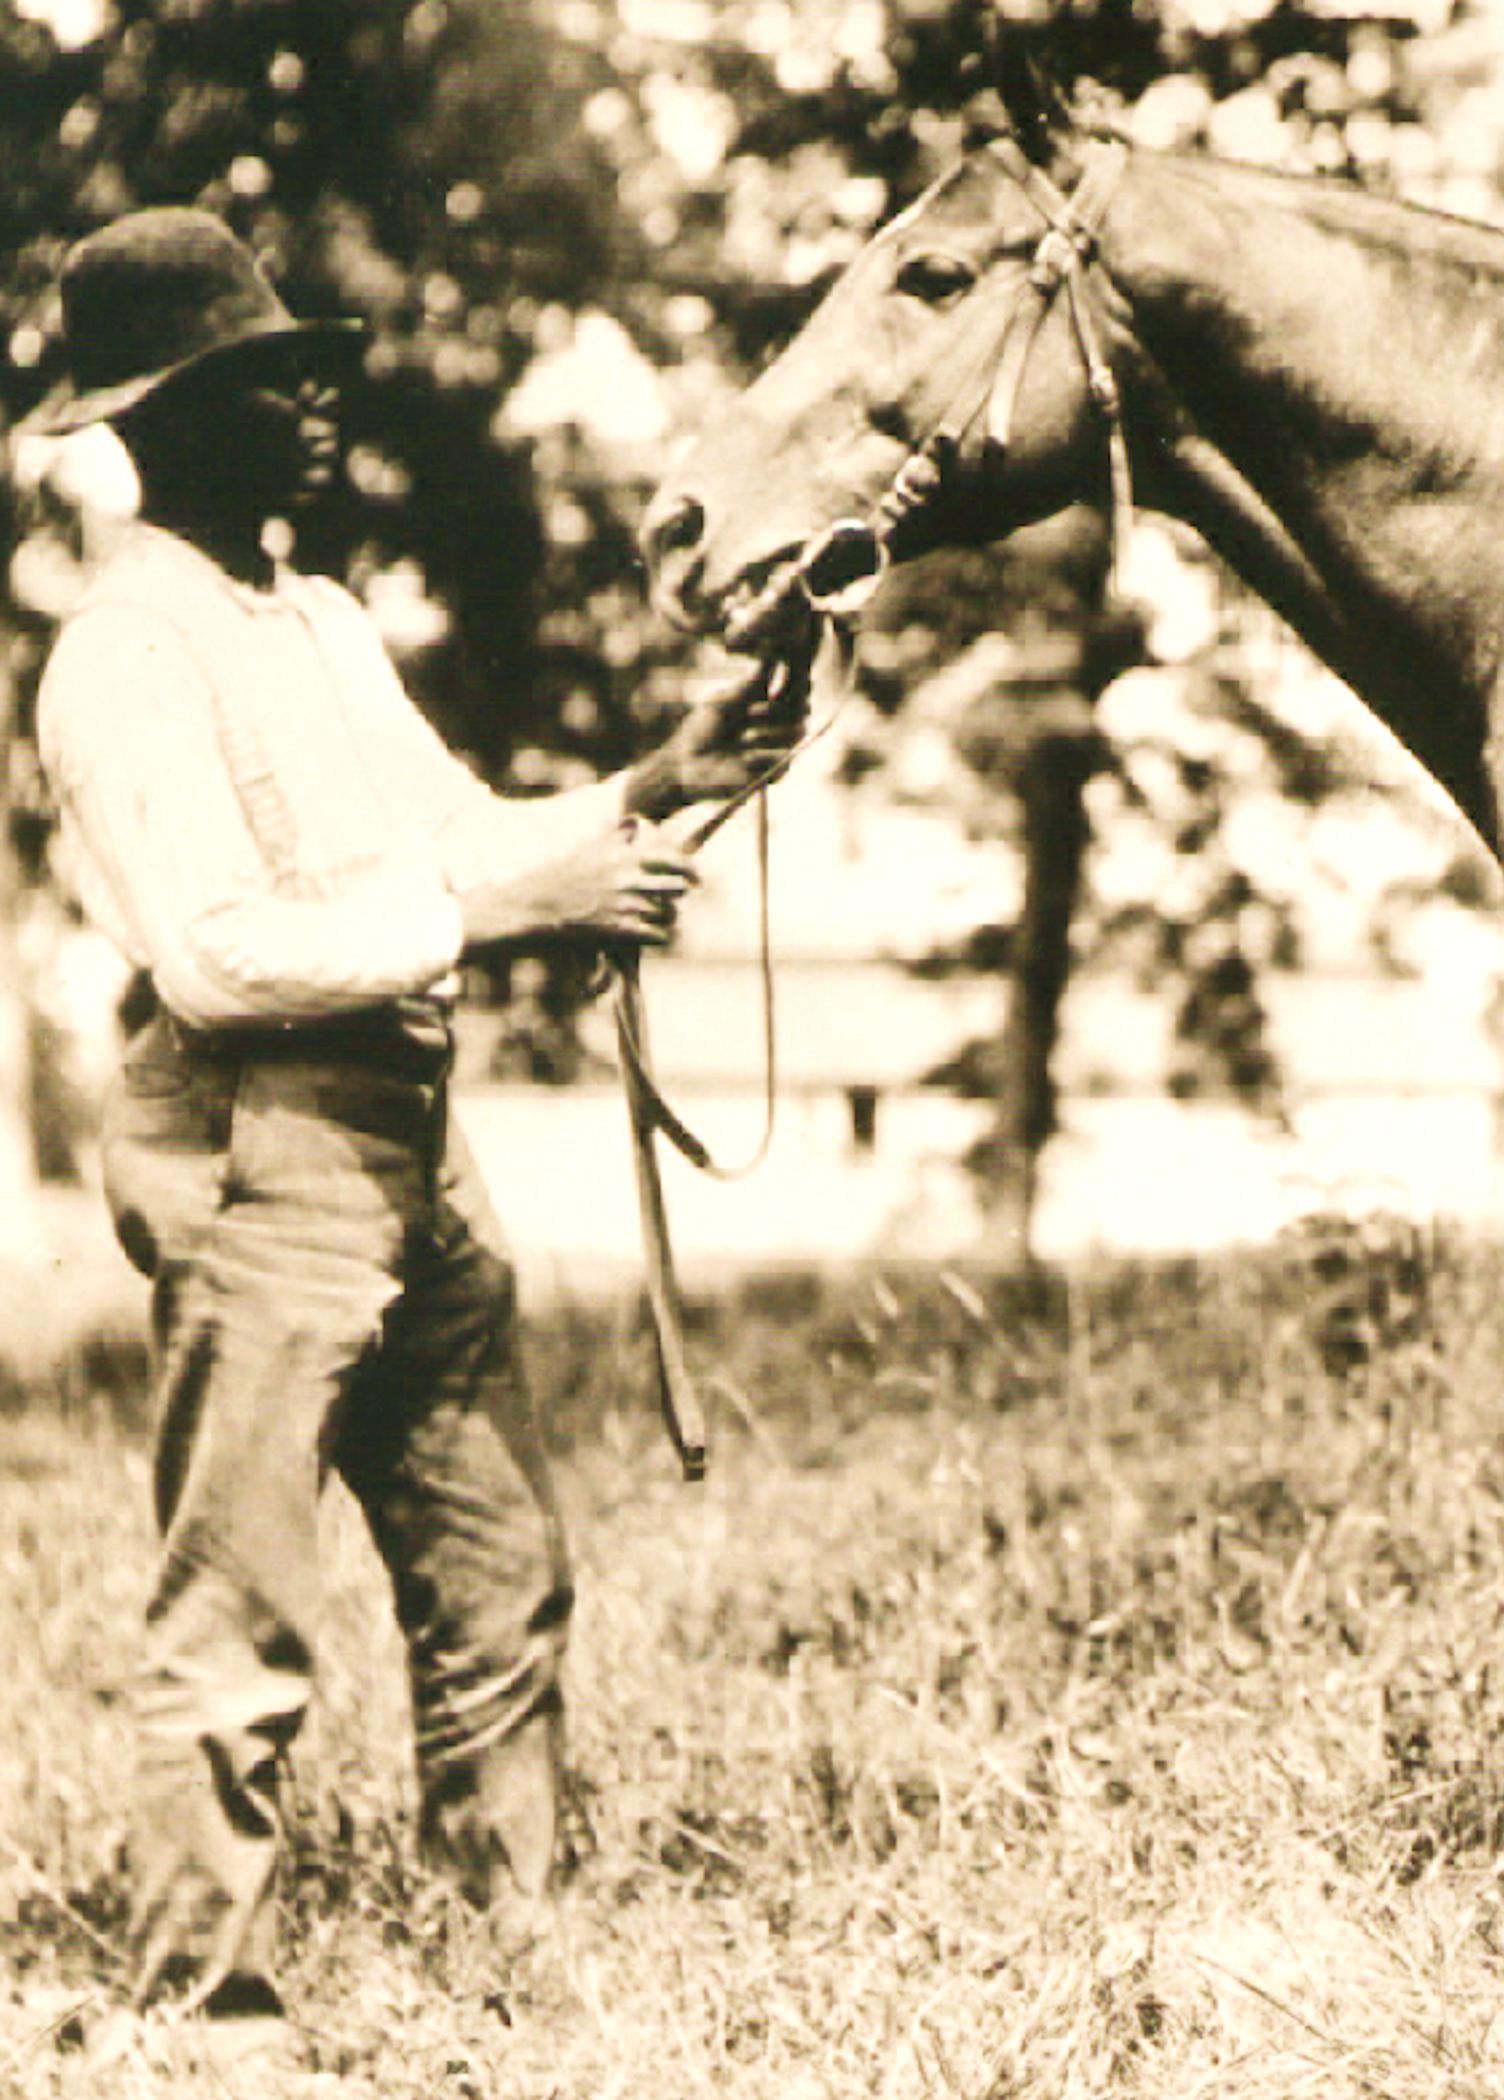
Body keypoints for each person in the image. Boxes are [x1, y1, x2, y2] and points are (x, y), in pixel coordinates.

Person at [24, 206, 799, 2041]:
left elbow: (451, 837)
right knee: (242, 1616)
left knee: (499, 1566)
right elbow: (216, 960)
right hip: (258, 1147)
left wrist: (652, 786)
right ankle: (202, 2019)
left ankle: (509, 1962)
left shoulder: (319, 624)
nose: (306, 400)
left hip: (407, 1142)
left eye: (305, 369)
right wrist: (507, 914)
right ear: (152, 422)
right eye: (255, 380)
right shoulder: (118, 655)